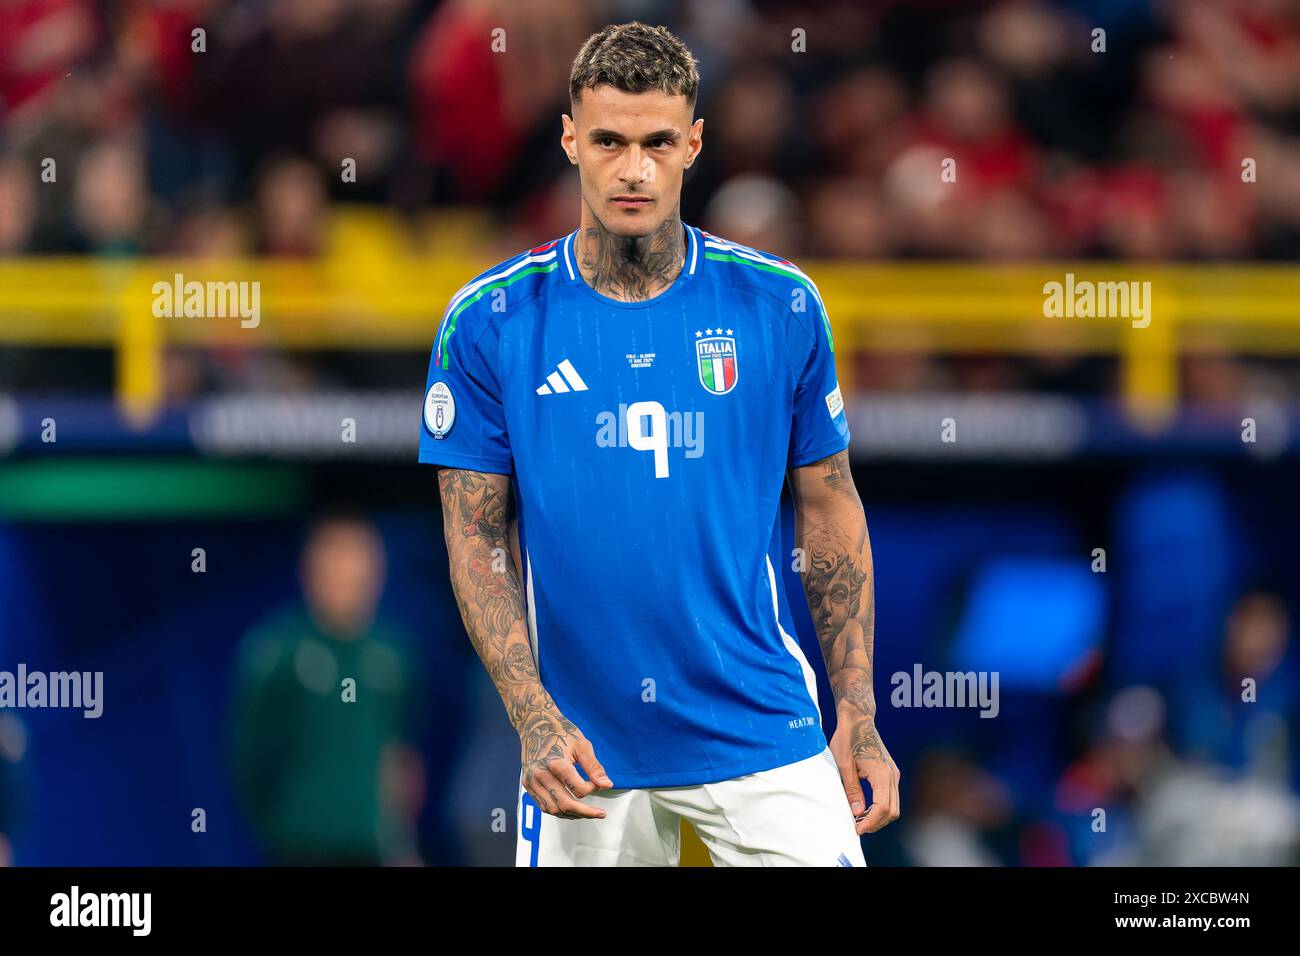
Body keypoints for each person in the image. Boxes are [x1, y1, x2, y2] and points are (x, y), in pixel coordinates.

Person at [418, 22, 898, 867]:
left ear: (694, 144)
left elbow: (829, 509)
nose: (632, 169)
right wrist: (531, 714)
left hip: (761, 728)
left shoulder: (777, 306)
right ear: (570, 138)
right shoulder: (491, 320)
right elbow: (475, 537)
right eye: (607, 140)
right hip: (584, 754)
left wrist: (856, 708)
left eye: (656, 142)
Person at [228, 512, 425, 865]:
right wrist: (282, 823)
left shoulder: (394, 654)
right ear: (310, 572)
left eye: (361, 563)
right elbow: (250, 760)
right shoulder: (276, 651)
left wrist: (401, 845)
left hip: (371, 847)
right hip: (298, 846)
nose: (350, 576)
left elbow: (395, 757)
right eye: (337, 561)